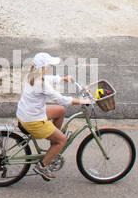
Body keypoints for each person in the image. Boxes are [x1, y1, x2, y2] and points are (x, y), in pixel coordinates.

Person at [16, 52, 91, 181]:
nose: (51, 67)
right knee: (62, 140)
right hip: (33, 120)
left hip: (26, 113)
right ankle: (43, 165)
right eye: (49, 65)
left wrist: (62, 78)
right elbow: (61, 99)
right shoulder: (41, 84)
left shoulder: (32, 76)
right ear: (44, 68)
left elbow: (48, 79)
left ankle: (53, 146)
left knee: (60, 111)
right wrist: (82, 101)